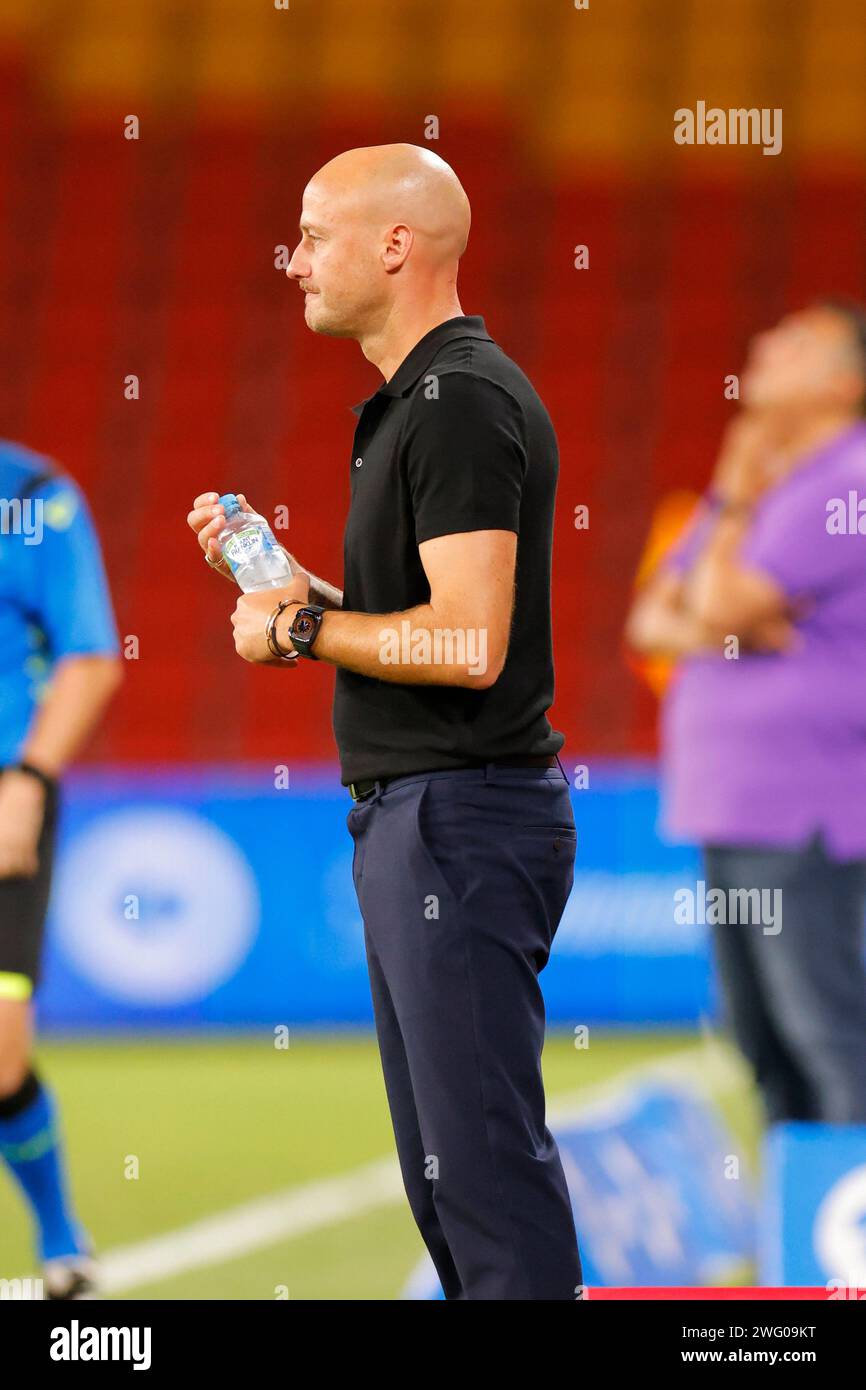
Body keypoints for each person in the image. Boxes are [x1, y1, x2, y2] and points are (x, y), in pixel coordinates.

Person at [188, 144, 581, 1299]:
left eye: (312, 233)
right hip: (435, 819)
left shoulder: (454, 402)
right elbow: (429, 628)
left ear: (395, 245)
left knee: (484, 1182)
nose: (293, 259)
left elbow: (465, 645)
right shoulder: (427, 398)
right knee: (450, 1182)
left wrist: (301, 634)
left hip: (458, 818)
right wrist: (304, 591)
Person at [626, 301, 866, 1126]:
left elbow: (712, 602)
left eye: (794, 343)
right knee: (762, 1043)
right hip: (734, 807)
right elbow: (649, 619)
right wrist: (730, 508)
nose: (761, 343)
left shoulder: (850, 480)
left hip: (812, 812)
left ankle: (847, 1238)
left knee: (831, 1039)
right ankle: (802, 1239)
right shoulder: (755, 483)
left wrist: (719, 599)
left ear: (847, 382)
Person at [0, 441, 121, 1297]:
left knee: (0, 1056)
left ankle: (59, 1228)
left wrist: (29, 779)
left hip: (3, 797)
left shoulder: (35, 497)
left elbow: (89, 655)